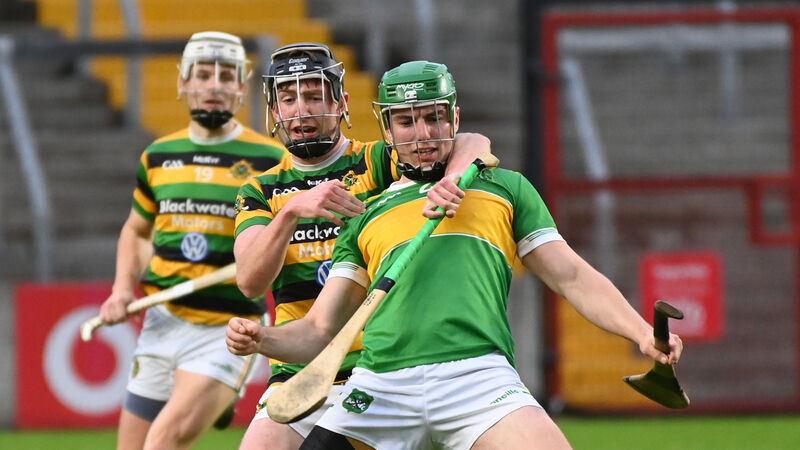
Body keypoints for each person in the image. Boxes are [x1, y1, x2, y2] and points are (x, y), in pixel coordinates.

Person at [226, 60, 684, 450]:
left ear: (455, 117)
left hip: (477, 377)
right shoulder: (366, 215)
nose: (423, 135)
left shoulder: (503, 188)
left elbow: (572, 277)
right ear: (386, 129)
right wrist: (259, 339)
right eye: (406, 122)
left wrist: (640, 333)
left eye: (434, 118)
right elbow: (319, 330)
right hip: (380, 385)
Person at [231, 44, 491, 449]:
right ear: (274, 111)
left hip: (378, 365)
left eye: (315, 95)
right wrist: (291, 213)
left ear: (341, 103)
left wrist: (452, 181)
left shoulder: (377, 162)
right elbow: (249, 281)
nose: (302, 110)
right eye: (289, 98)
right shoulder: (260, 191)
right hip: (302, 368)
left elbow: (473, 140)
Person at [98, 31, 286, 450]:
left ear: (242, 85)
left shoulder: (271, 160)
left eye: (226, 75)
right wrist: (120, 289)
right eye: (202, 74)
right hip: (162, 321)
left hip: (228, 327)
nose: (214, 85)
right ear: (184, 82)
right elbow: (137, 230)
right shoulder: (158, 156)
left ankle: (215, 389)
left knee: (161, 442)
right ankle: (211, 398)